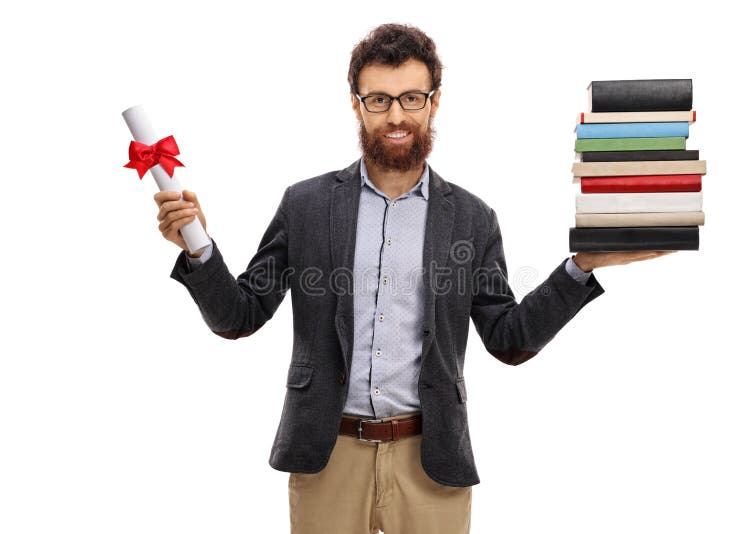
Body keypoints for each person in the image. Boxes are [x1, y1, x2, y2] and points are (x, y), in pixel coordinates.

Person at [155, 23, 673, 534]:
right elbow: (239, 316)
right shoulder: (305, 205)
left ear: (434, 102)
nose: (397, 115)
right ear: (356, 104)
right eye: (379, 100)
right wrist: (198, 248)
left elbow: (509, 339)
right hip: (327, 455)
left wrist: (582, 265)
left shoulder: (471, 218)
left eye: (411, 98)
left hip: (432, 459)